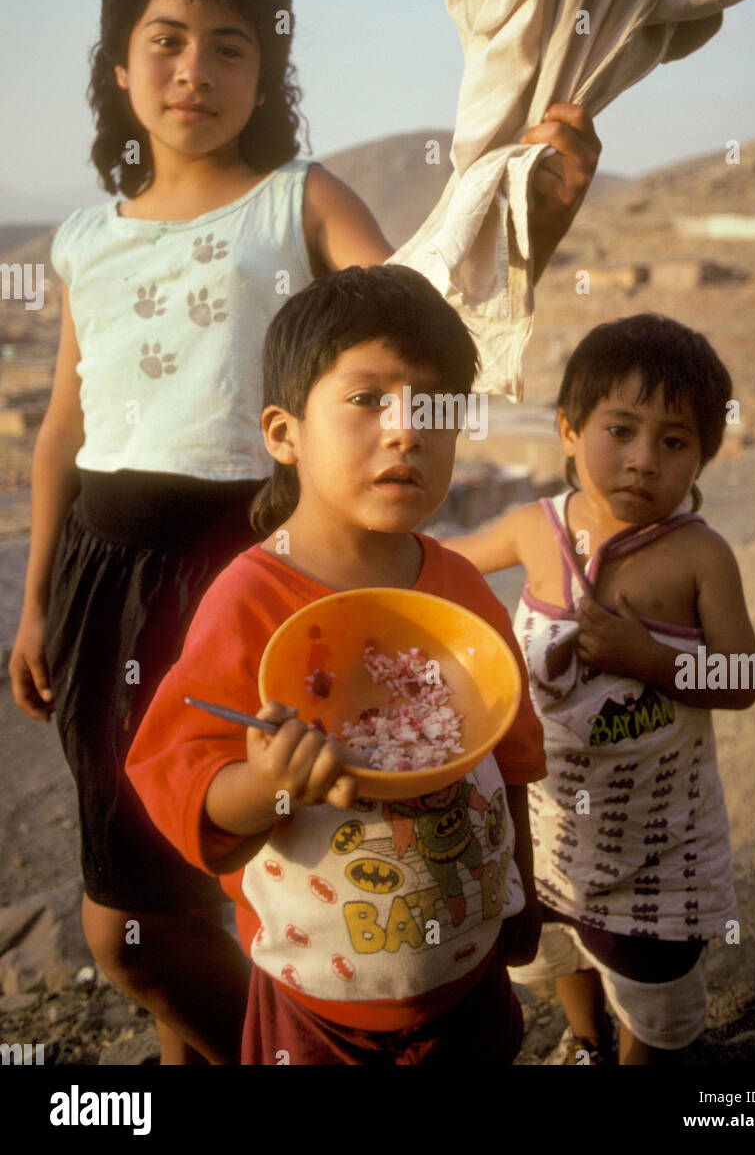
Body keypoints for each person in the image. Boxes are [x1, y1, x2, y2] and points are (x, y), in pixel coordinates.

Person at [8, 0, 597, 1064]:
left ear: (265, 71)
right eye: (168, 39)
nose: (196, 69)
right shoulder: (84, 236)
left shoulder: (299, 196)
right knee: (135, 915)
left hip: (257, 568)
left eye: (231, 45)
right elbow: (61, 434)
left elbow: (419, 315)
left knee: (295, 835)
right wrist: (35, 599)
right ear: (119, 63)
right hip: (104, 582)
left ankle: (317, 1028)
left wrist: (537, 208)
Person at [126, 265, 546, 1066]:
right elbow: (180, 775)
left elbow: (509, 751)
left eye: (435, 406)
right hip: (322, 1009)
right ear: (284, 434)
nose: (406, 430)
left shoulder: (458, 584)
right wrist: (269, 782)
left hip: (468, 981)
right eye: (367, 399)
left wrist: (522, 890)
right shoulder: (249, 599)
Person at [444, 313, 755, 1065]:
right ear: (567, 430)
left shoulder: (699, 558)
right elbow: (442, 564)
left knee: (651, 993)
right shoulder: (532, 529)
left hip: (659, 843)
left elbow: (744, 679)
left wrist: (647, 658)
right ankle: (586, 1042)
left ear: (701, 460)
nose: (643, 460)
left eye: (674, 442)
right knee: (559, 947)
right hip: (552, 826)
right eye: (620, 430)